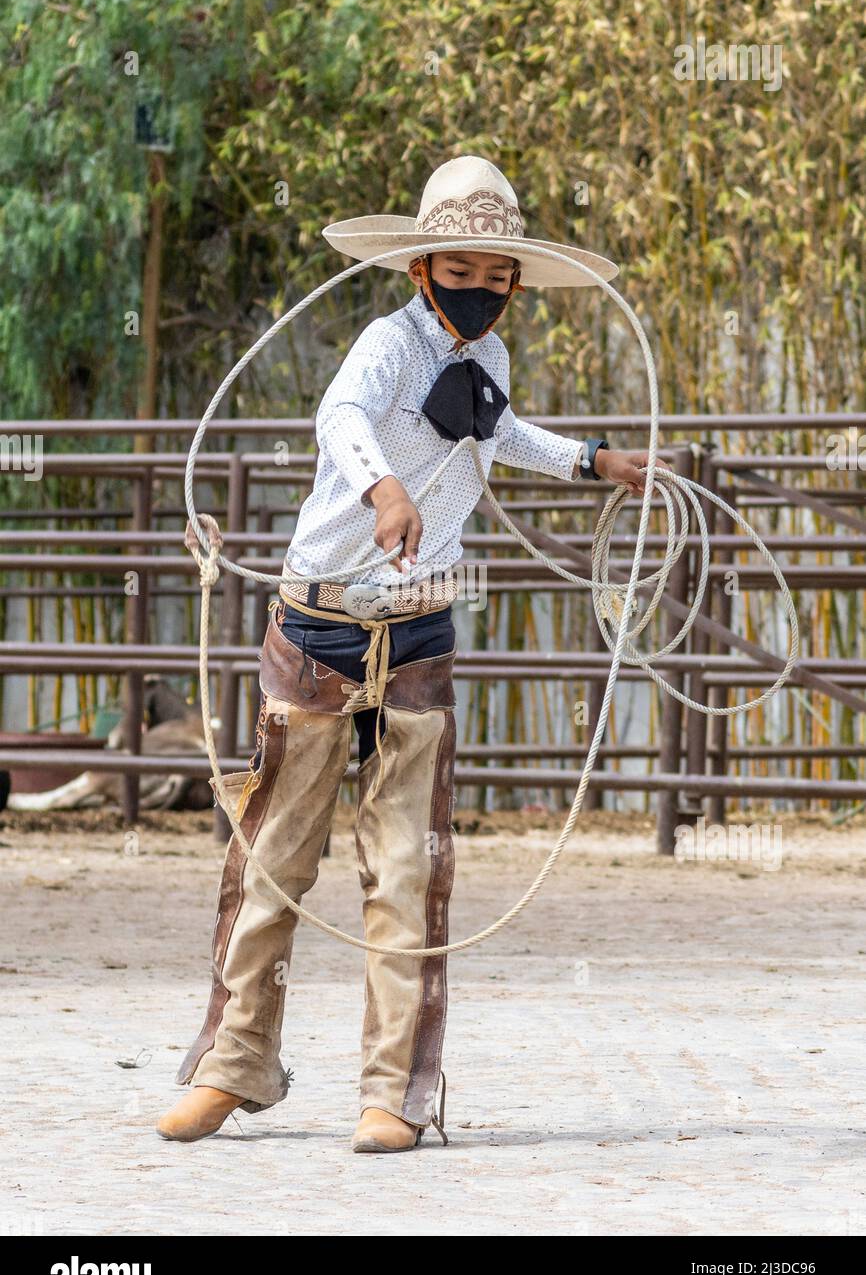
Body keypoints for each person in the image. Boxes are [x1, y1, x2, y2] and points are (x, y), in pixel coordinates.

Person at [156, 155, 662, 1152]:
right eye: (462, 268)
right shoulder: (384, 346)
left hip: (420, 629)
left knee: (406, 862)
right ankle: (233, 1061)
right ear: (421, 266)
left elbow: (495, 432)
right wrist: (385, 489)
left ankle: (396, 1088)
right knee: (270, 853)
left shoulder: (492, 362)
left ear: (513, 283)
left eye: (497, 274)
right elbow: (336, 416)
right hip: (318, 626)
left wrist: (590, 460)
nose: (480, 287)